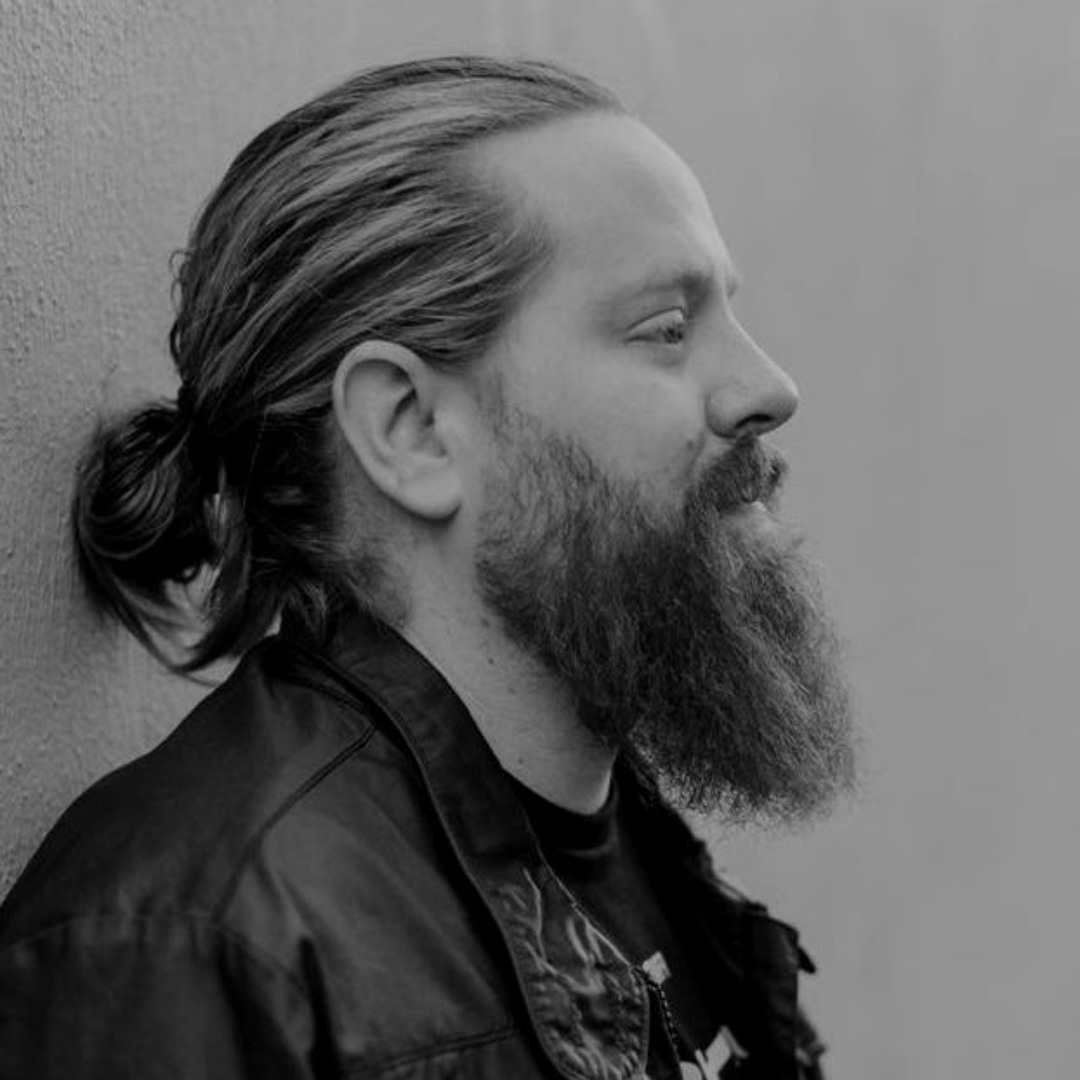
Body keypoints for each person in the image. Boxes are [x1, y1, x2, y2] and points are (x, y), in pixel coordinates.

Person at [0, 56, 855, 1079]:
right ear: (410, 430)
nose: (769, 386)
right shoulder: (188, 949)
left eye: (727, 316)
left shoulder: (631, 847)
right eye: (666, 329)